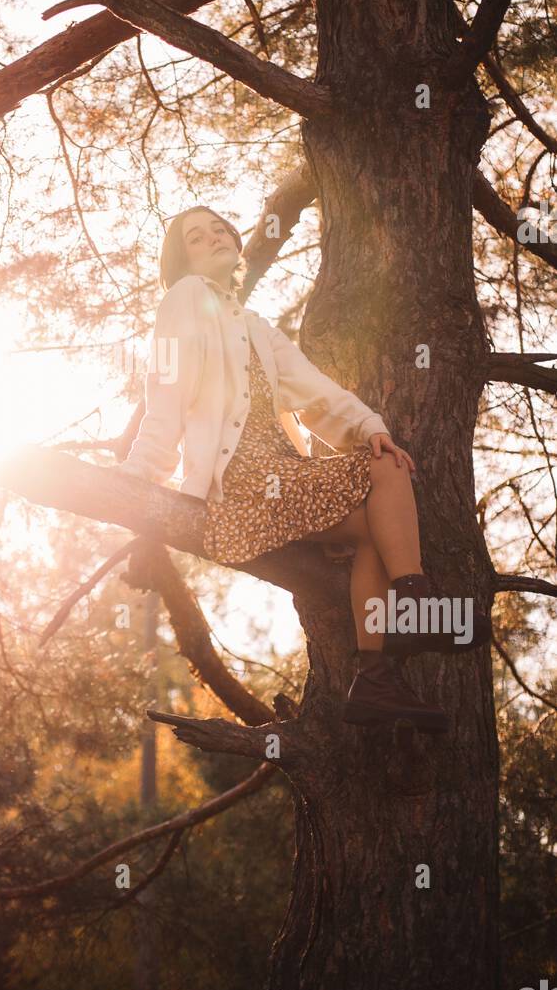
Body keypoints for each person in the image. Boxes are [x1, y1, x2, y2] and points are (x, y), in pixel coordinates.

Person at [114, 206, 491, 733]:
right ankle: (413, 609)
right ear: (183, 261)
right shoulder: (184, 300)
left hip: (286, 476)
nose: (215, 237)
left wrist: (366, 425)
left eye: (220, 227)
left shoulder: (252, 326)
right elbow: (166, 393)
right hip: (242, 485)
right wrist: (137, 479)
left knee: (376, 524)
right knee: (386, 477)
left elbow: (313, 390)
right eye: (197, 238)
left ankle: (375, 678)